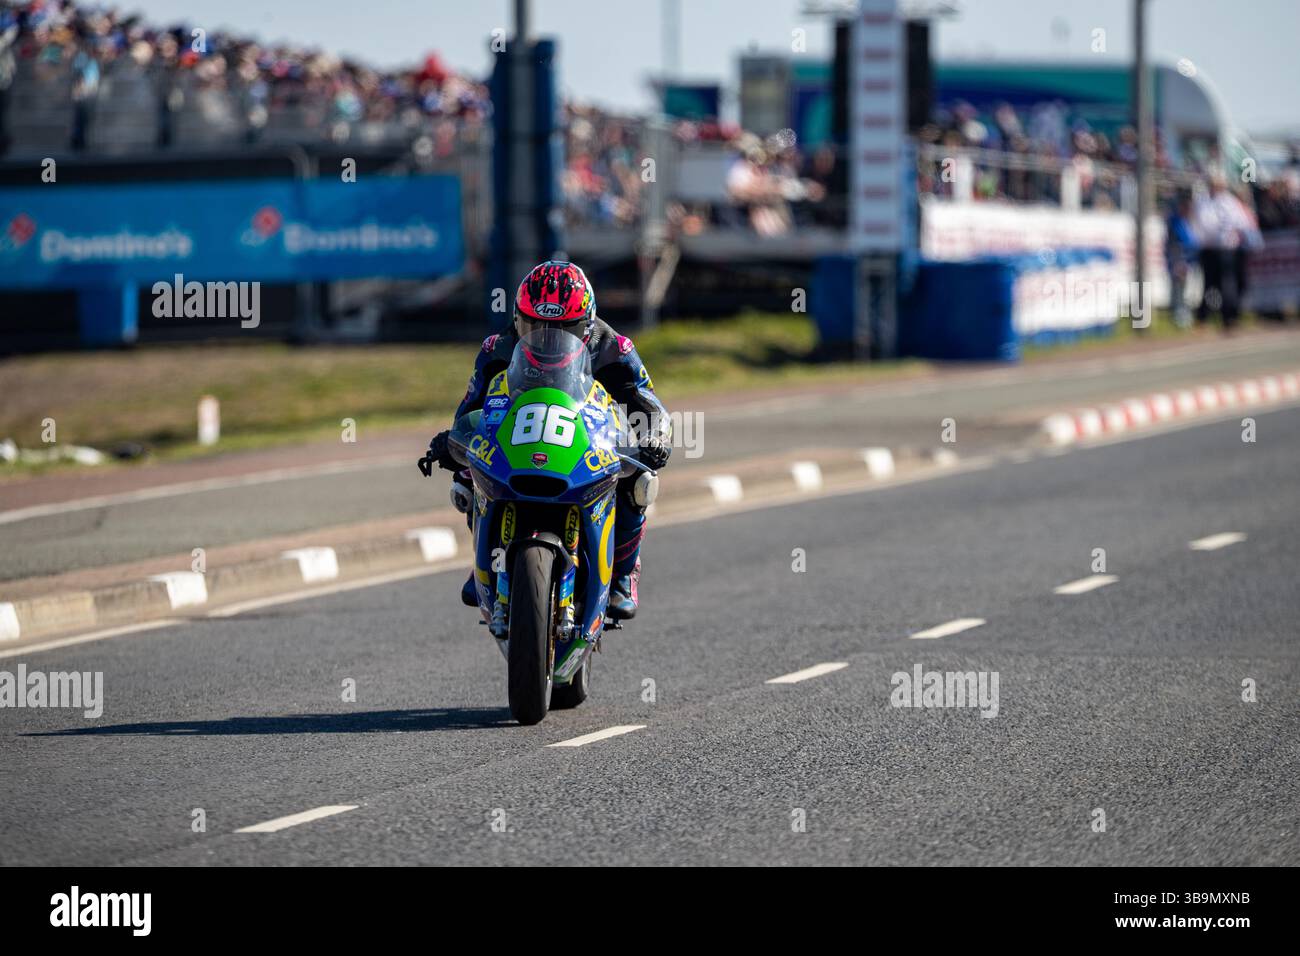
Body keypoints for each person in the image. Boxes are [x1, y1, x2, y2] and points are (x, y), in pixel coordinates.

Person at [419, 260, 672, 620]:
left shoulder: (615, 347)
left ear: (587, 324)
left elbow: (650, 405)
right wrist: (451, 441)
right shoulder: (496, 348)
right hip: (519, 437)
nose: (548, 338)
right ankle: (486, 563)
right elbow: (468, 409)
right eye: (534, 326)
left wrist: (655, 438)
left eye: (564, 328)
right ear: (517, 319)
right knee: (465, 477)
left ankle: (623, 575)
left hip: (587, 437)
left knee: (639, 481)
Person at [1165, 192, 1199, 329]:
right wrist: (1178, 262)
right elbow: (1176, 243)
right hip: (1178, 260)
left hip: (1187, 260)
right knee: (1178, 289)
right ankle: (1178, 316)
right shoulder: (1175, 221)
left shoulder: (1187, 221)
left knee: (1184, 289)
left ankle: (1181, 313)